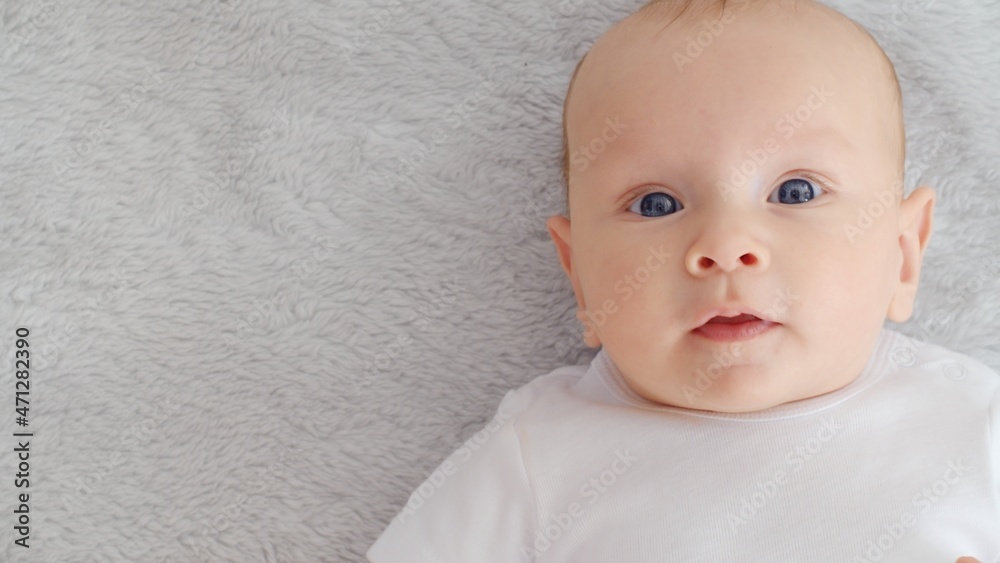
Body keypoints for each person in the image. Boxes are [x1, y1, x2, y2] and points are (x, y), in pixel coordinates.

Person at [368, 0, 999, 560]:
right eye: (655, 205)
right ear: (579, 276)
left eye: (796, 191)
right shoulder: (537, 456)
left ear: (903, 255)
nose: (725, 248)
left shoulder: (977, 425)